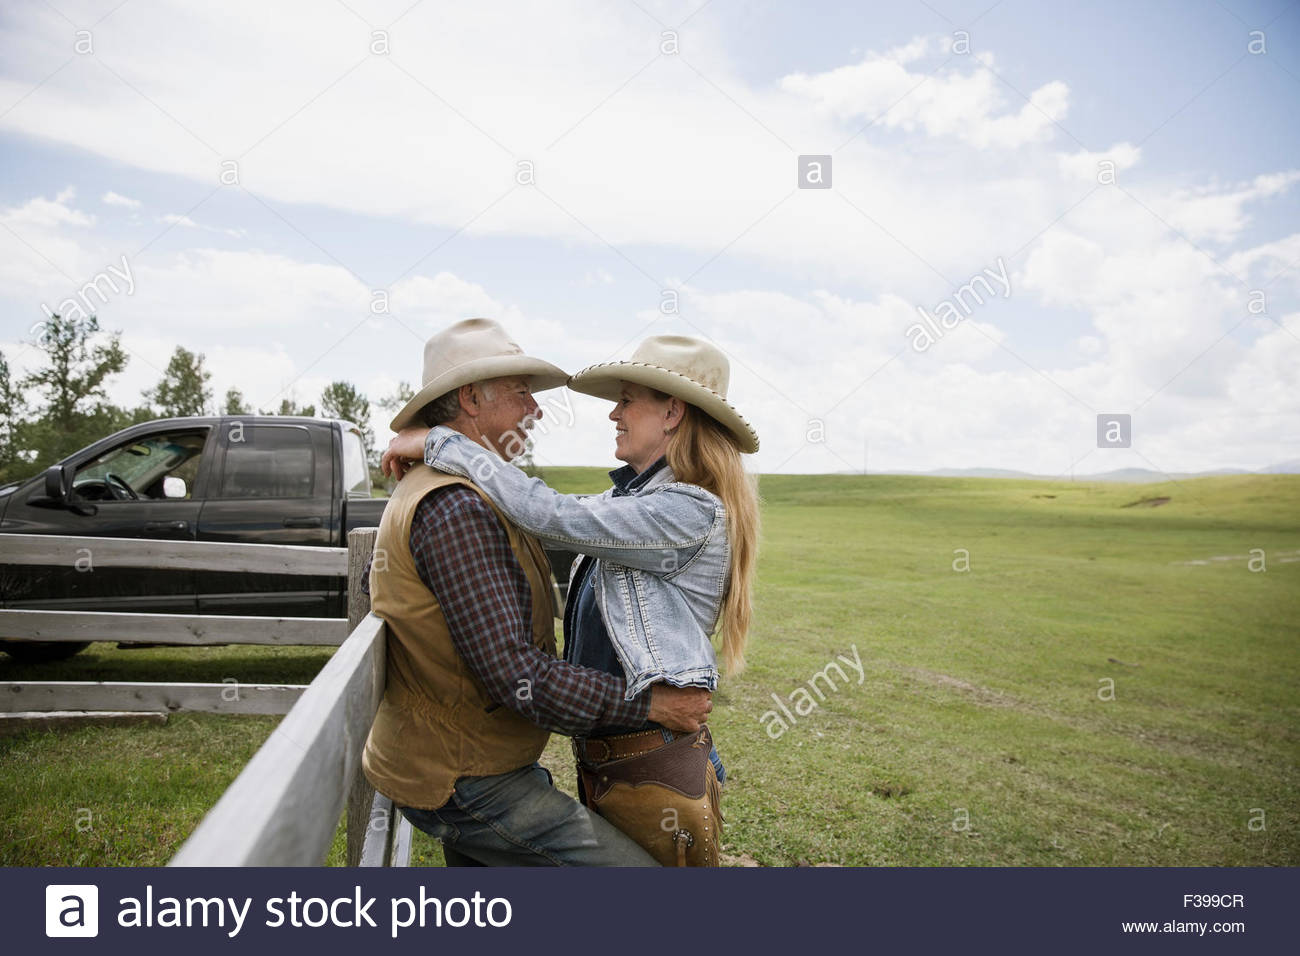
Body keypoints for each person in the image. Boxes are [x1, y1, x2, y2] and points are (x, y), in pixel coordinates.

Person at [383, 333, 760, 866]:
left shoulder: (689, 510)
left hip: (651, 757)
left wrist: (441, 445)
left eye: (627, 400)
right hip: (617, 755)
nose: (614, 414)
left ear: (672, 412)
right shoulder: (629, 501)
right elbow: (539, 518)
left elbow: (553, 516)